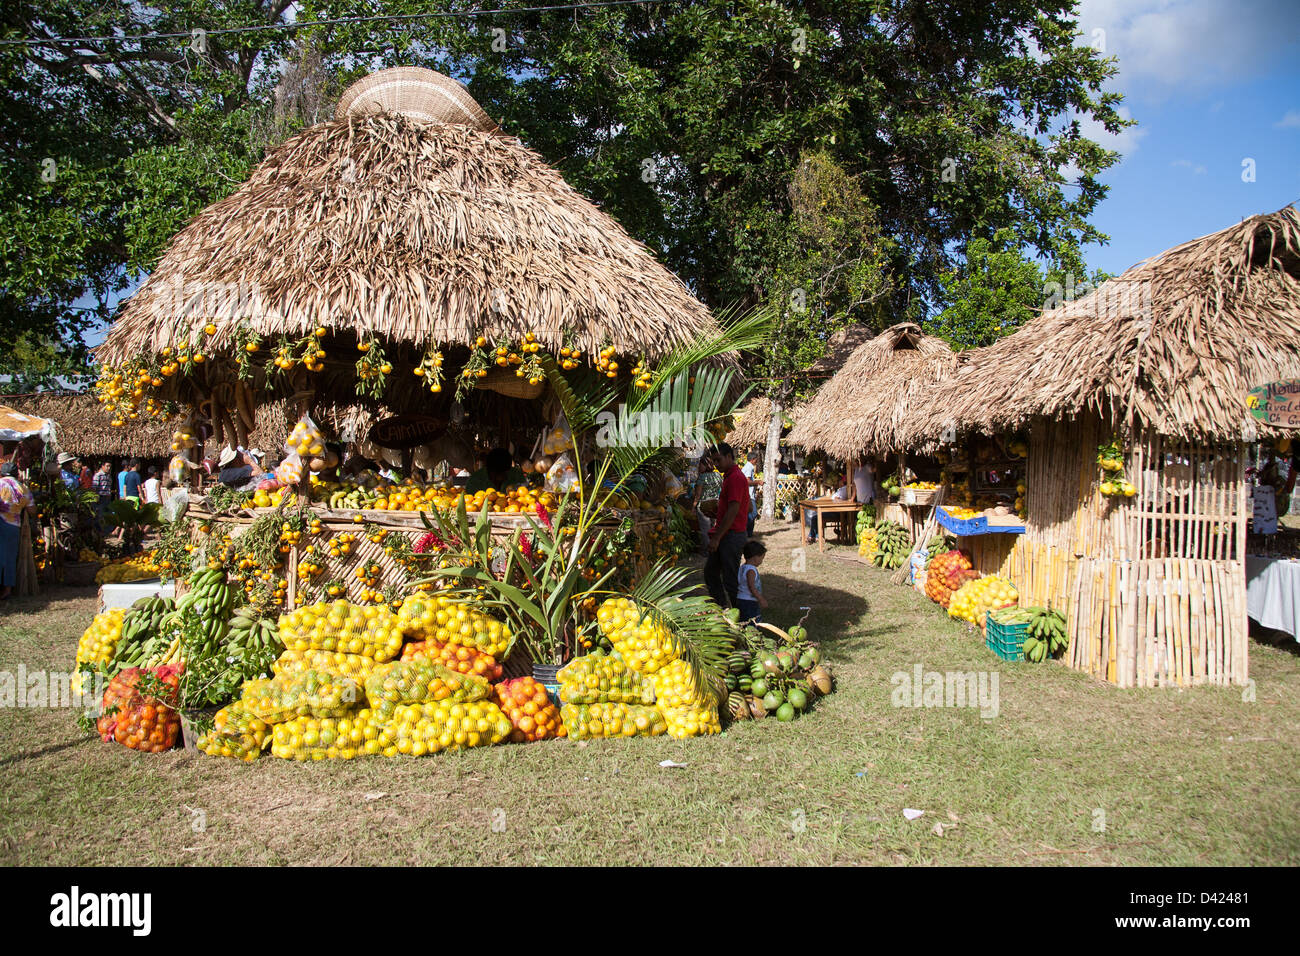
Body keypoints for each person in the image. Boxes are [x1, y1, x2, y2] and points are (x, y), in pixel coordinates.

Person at [704, 442, 750, 609]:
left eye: (718, 460)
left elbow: (734, 508)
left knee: (730, 579)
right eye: (713, 461)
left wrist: (716, 537)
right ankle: (723, 609)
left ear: (729, 456)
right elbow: (743, 507)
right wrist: (718, 513)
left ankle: (743, 616)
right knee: (711, 573)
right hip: (727, 533)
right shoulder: (730, 476)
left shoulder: (736, 478)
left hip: (731, 536)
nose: (716, 465)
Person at [0, 462, 34, 599]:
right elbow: (32, 510)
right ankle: (7, 590)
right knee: (9, 558)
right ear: (16, 475)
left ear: (2, 473)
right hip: (13, 526)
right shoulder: (23, 488)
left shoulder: (0, 484)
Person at [691, 450, 723, 552]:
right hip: (715, 504)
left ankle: (706, 549)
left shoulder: (702, 477)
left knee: (705, 530)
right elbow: (723, 488)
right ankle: (715, 546)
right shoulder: (718, 476)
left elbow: (698, 495)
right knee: (713, 528)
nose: (699, 467)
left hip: (704, 505)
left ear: (706, 466)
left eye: (700, 465)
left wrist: (693, 507)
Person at [805, 474, 850, 543]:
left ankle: (816, 537)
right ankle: (813, 536)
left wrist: (834, 498)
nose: (838, 482)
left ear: (842, 482)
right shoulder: (841, 489)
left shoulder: (844, 489)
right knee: (815, 517)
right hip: (834, 510)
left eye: (839, 481)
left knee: (816, 517)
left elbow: (838, 499)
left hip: (837, 512)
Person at [736, 541, 768, 624]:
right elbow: (751, 587)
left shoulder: (743, 567)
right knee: (752, 621)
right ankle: (753, 635)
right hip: (749, 601)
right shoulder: (751, 570)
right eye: (762, 558)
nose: (762, 561)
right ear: (755, 557)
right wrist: (761, 599)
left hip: (741, 599)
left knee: (743, 621)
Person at [740, 453, 758, 536]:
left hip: (749, 494)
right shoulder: (749, 467)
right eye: (756, 459)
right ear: (753, 459)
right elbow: (747, 481)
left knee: (750, 513)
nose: (757, 461)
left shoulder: (748, 466)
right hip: (748, 495)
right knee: (752, 513)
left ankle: (749, 533)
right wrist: (757, 482)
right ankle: (746, 532)